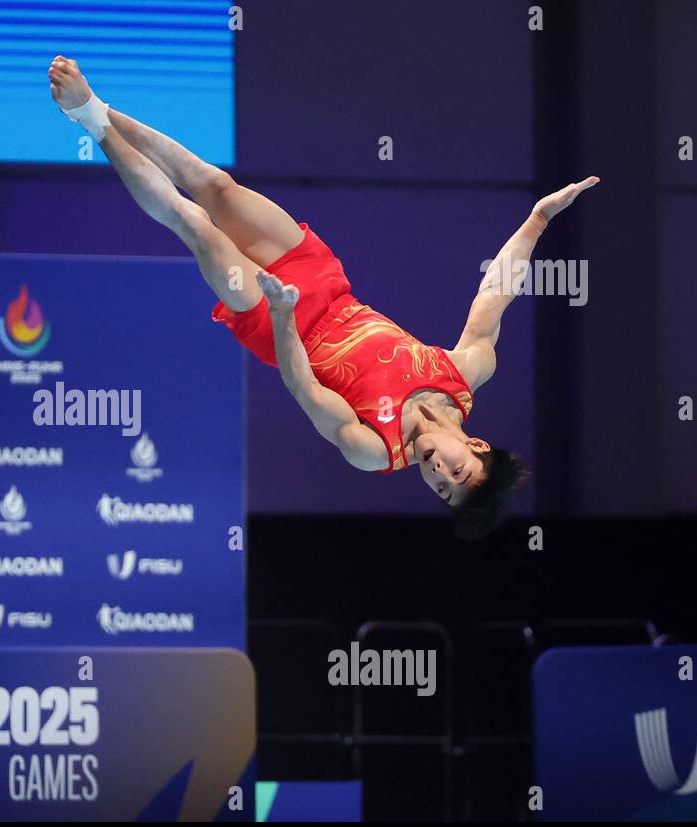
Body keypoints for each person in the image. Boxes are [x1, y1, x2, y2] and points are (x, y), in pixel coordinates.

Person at [48, 55, 598, 539]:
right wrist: (537, 219)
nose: (438, 474)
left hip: (277, 317)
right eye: (457, 474)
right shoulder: (465, 373)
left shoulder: (374, 451)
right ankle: (94, 103)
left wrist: (284, 316)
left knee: (195, 224)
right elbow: (494, 294)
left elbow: (303, 385)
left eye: (441, 490)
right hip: (325, 285)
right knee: (215, 186)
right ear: (477, 448)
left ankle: (88, 121)